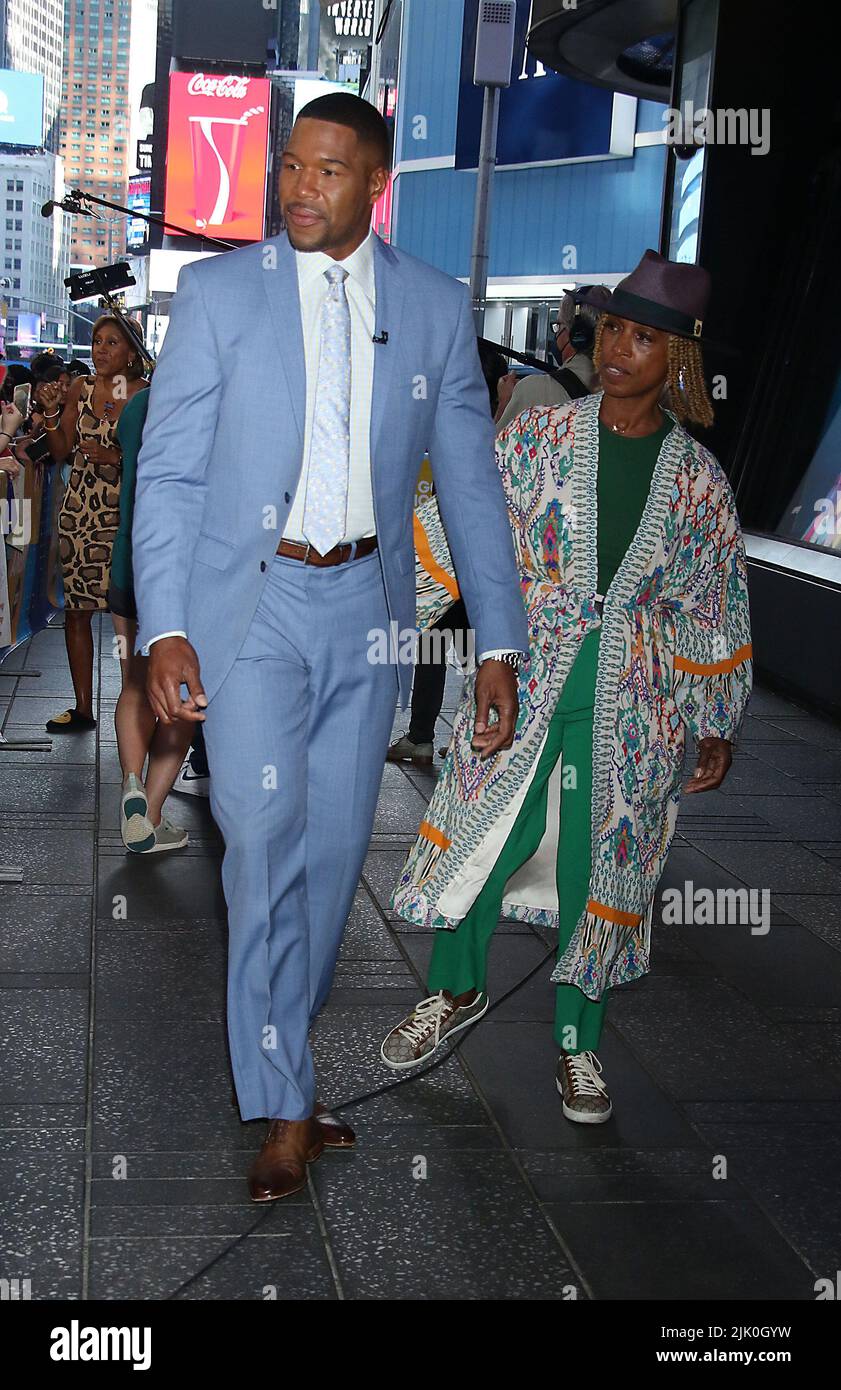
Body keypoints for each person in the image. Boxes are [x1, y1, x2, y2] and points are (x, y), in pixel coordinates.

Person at [131, 92, 528, 1202]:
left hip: (369, 610)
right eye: (290, 167)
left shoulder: (436, 310)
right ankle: (284, 1102)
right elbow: (166, 474)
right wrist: (165, 625)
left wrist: (497, 641)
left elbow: (474, 489)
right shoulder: (217, 297)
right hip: (248, 615)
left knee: (333, 859)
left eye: (327, 170)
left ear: (375, 183)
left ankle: (282, 1062)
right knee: (260, 849)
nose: (299, 188)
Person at [382, 250, 752, 1126]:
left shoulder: (698, 482)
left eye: (646, 337)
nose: (620, 347)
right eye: (615, 327)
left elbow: (714, 604)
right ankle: (455, 990)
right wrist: (371, 593)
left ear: (681, 361)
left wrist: (713, 723)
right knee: (488, 828)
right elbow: (467, 529)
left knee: (602, 861)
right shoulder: (540, 436)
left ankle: (578, 1043)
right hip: (524, 671)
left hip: (637, 702)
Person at [386, 338, 507, 768]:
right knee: (466, 647)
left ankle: (432, 734)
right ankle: (464, 733)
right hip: (477, 564)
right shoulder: (484, 413)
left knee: (439, 645)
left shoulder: (493, 422)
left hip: (457, 559)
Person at [40, 316, 148, 732]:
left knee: (129, 617)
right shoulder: (80, 390)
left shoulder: (144, 396)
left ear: (132, 353)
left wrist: (116, 459)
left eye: (111, 342)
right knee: (77, 613)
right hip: (79, 515)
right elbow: (62, 448)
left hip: (124, 518)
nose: (100, 350)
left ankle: (134, 703)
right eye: (96, 341)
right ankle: (83, 707)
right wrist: (51, 415)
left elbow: (155, 459)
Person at [108, 387, 191, 853]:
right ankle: (152, 815)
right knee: (183, 694)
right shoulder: (201, 400)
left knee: (136, 683)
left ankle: (132, 782)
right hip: (183, 568)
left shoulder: (137, 405)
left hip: (129, 559)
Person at [495, 285, 612, 431]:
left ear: (577, 335)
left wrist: (504, 403)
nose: (556, 335)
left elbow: (492, 449)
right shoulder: (624, 390)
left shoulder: (534, 390)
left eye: (559, 326)